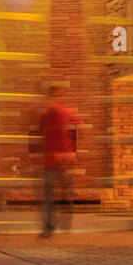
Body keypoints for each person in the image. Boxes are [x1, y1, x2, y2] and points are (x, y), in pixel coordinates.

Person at [38, 85, 78, 236]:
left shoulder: (67, 113)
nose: (57, 100)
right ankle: (49, 227)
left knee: (66, 194)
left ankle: (64, 224)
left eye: (60, 97)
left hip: (63, 161)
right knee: (49, 195)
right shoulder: (46, 115)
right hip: (50, 161)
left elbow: (80, 129)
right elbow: (41, 134)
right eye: (55, 97)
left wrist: (72, 152)